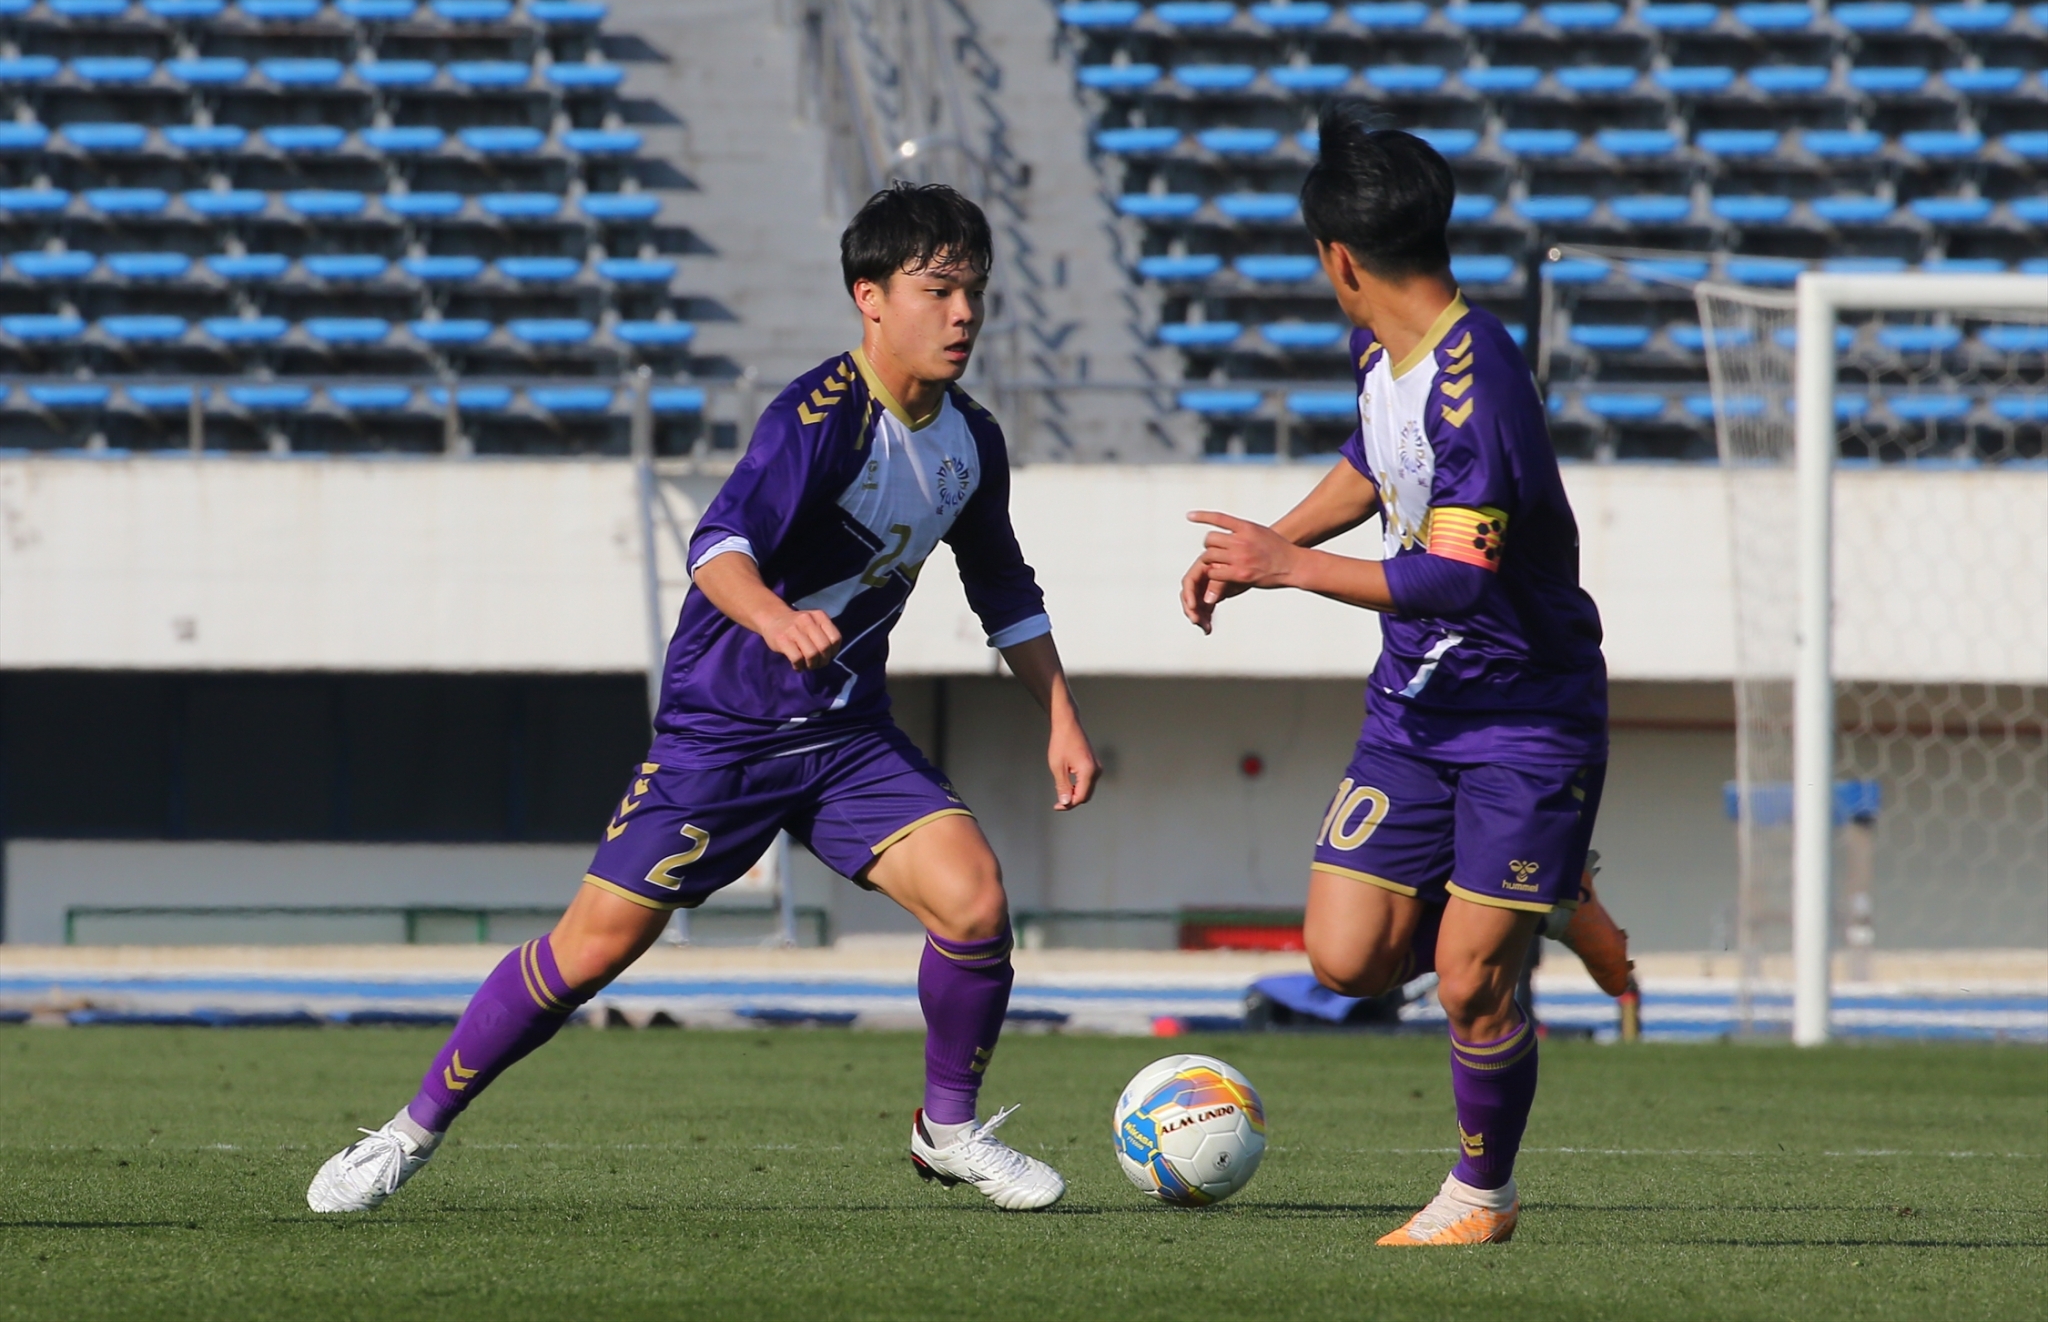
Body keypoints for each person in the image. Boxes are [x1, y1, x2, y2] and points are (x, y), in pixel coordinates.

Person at [309, 183, 1100, 1215]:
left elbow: (1000, 584)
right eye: (938, 289)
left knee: (975, 901)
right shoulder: (816, 420)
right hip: (723, 735)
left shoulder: (970, 440)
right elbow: (717, 546)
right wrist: (774, 620)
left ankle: (945, 1131)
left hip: (847, 739)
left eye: (975, 294)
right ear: (869, 296)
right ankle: (406, 1133)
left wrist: (1060, 713)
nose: (963, 315)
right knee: (587, 953)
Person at [1180, 104, 1615, 1245]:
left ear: (1338, 259)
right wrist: (1260, 549)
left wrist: (1292, 567)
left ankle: (1481, 1193)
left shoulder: (1482, 384)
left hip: (1526, 717)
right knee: (1342, 958)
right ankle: (1531, 896)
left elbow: (1461, 576)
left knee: (1470, 980)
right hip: (1414, 711)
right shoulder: (1384, 350)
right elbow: (1369, 464)